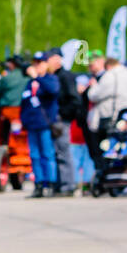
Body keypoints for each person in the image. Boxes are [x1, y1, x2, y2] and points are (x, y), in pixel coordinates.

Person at [21, 55, 59, 197]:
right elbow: (25, 102)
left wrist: (38, 77)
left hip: (45, 124)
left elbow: (53, 91)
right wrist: (24, 120)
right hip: (32, 124)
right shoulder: (30, 83)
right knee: (34, 155)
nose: (36, 66)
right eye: (35, 63)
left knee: (47, 154)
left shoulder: (50, 79)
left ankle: (49, 184)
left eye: (39, 63)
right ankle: (38, 183)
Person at [45, 48, 80, 196]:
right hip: (55, 119)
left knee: (63, 152)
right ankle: (60, 184)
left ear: (57, 59)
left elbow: (74, 100)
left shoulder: (65, 76)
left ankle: (68, 185)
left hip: (62, 119)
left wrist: (63, 115)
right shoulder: (53, 76)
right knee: (56, 152)